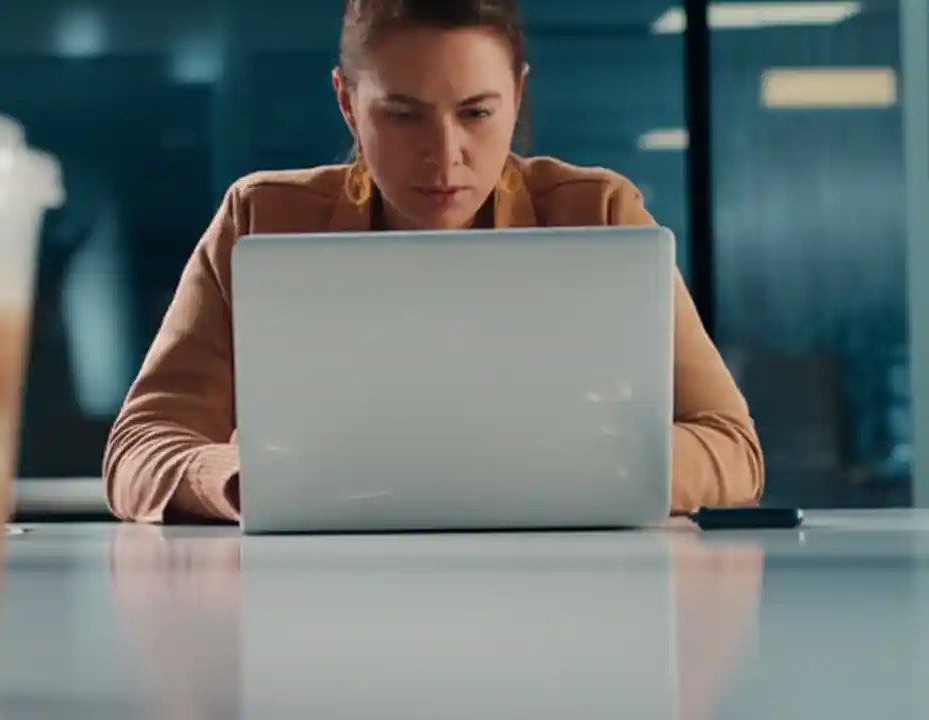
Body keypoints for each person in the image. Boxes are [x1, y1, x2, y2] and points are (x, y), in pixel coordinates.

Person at [103, 0, 765, 524]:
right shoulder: (262, 219)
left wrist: (590, 467)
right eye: (403, 116)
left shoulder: (596, 212)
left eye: (477, 113)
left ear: (518, 95)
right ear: (347, 104)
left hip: (564, 598)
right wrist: (256, 487)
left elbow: (732, 449)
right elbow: (139, 449)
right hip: (320, 602)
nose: (445, 156)